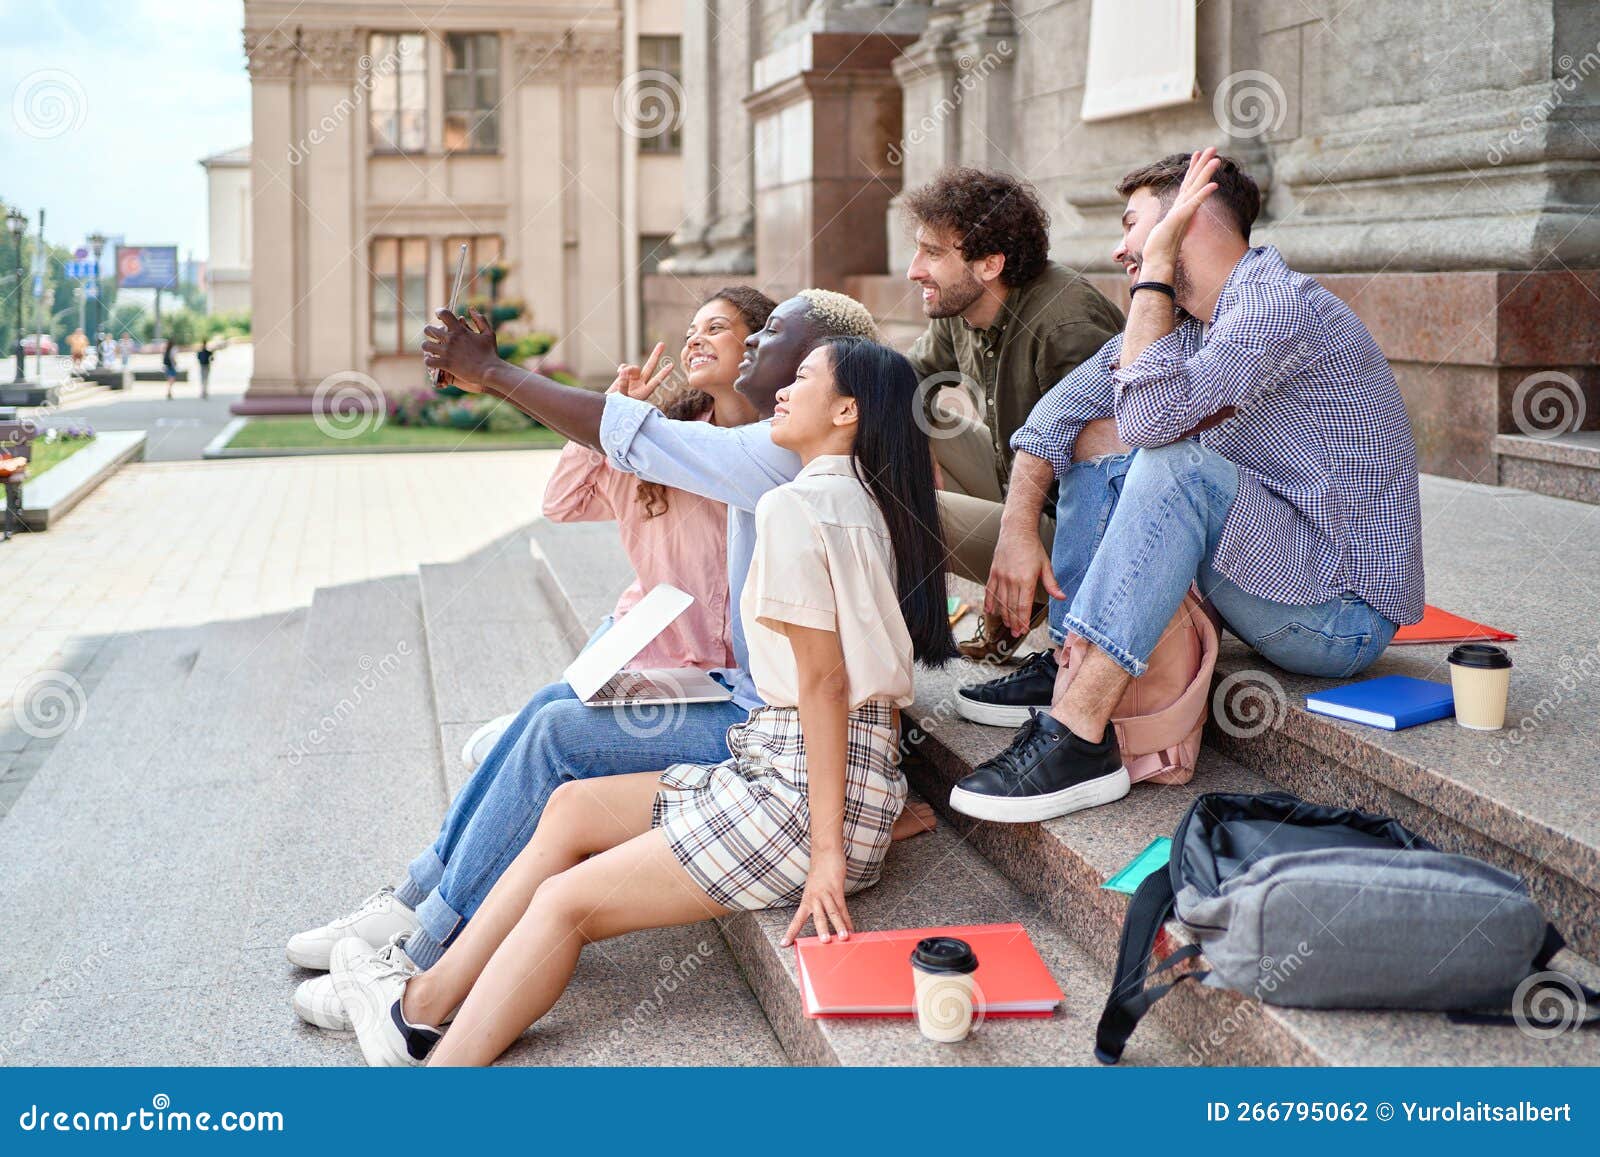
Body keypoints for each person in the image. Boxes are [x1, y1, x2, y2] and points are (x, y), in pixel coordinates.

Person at [285, 290, 921, 1035]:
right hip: (750, 708)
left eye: (772, 336)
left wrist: (493, 373)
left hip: (765, 732)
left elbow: (827, 679)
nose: (752, 348)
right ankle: (417, 902)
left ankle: (422, 951)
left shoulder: (781, 464)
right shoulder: (793, 460)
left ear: (838, 389)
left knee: (555, 739)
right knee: (551, 713)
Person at [948, 149, 1424, 824]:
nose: (1119, 249)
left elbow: (1148, 423)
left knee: (1176, 465)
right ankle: (1067, 661)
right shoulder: (1190, 323)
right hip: (1273, 572)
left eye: (1133, 225)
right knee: (1092, 435)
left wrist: (1155, 275)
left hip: (1340, 615)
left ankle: (1080, 732)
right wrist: (1018, 529)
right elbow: (1056, 415)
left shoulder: (1274, 306)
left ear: (1185, 221)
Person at [454, 287, 775, 772]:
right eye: (690, 332)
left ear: (757, 345)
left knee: (555, 738)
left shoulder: (781, 447)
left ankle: (521, 738)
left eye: (716, 328)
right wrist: (604, 426)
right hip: (654, 647)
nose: (695, 340)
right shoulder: (659, 443)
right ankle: (521, 736)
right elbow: (562, 503)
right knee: (551, 718)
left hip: (737, 678)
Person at [903, 167, 1124, 660]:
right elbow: (906, 380)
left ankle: (900, 644)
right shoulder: (962, 305)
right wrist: (910, 441)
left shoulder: (1066, 326)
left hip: (1076, 534)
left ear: (990, 264)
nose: (914, 270)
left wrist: (1016, 535)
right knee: (899, 416)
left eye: (933, 253)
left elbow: (1110, 486)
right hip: (1018, 483)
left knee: (889, 504)